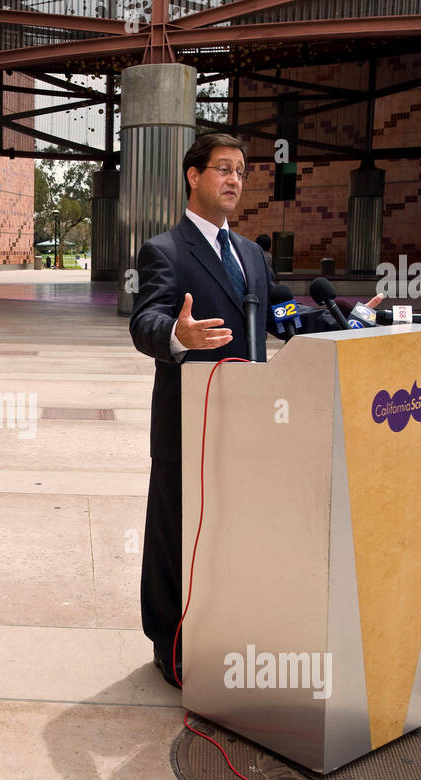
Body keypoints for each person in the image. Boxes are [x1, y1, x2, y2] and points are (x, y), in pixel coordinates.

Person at [129, 133, 335, 689]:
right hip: (188, 426)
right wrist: (179, 333)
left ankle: (228, 637)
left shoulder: (251, 254)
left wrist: (342, 317)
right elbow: (144, 322)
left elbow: (283, 314)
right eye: (223, 169)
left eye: (241, 171)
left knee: (235, 537)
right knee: (180, 537)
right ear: (192, 176)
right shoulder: (165, 251)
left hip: (253, 427)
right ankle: (170, 645)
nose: (234, 180)